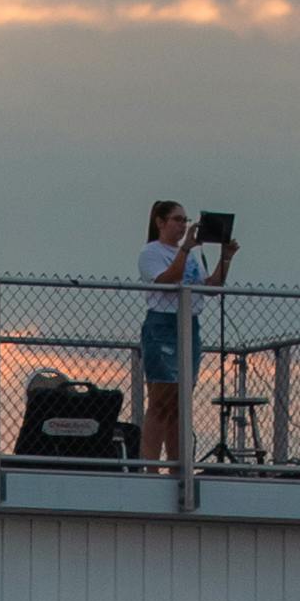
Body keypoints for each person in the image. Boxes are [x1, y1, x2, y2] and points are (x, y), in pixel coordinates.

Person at [130, 197, 234, 468]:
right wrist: (186, 248)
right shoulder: (151, 252)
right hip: (163, 325)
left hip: (190, 324)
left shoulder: (193, 256)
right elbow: (168, 279)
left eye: (185, 220)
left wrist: (226, 257)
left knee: (179, 402)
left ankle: (178, 466)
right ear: (160, 222)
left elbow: (211, 286)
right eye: (177, 220)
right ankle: (151, 466)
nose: (183, 225)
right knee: (161, 399)